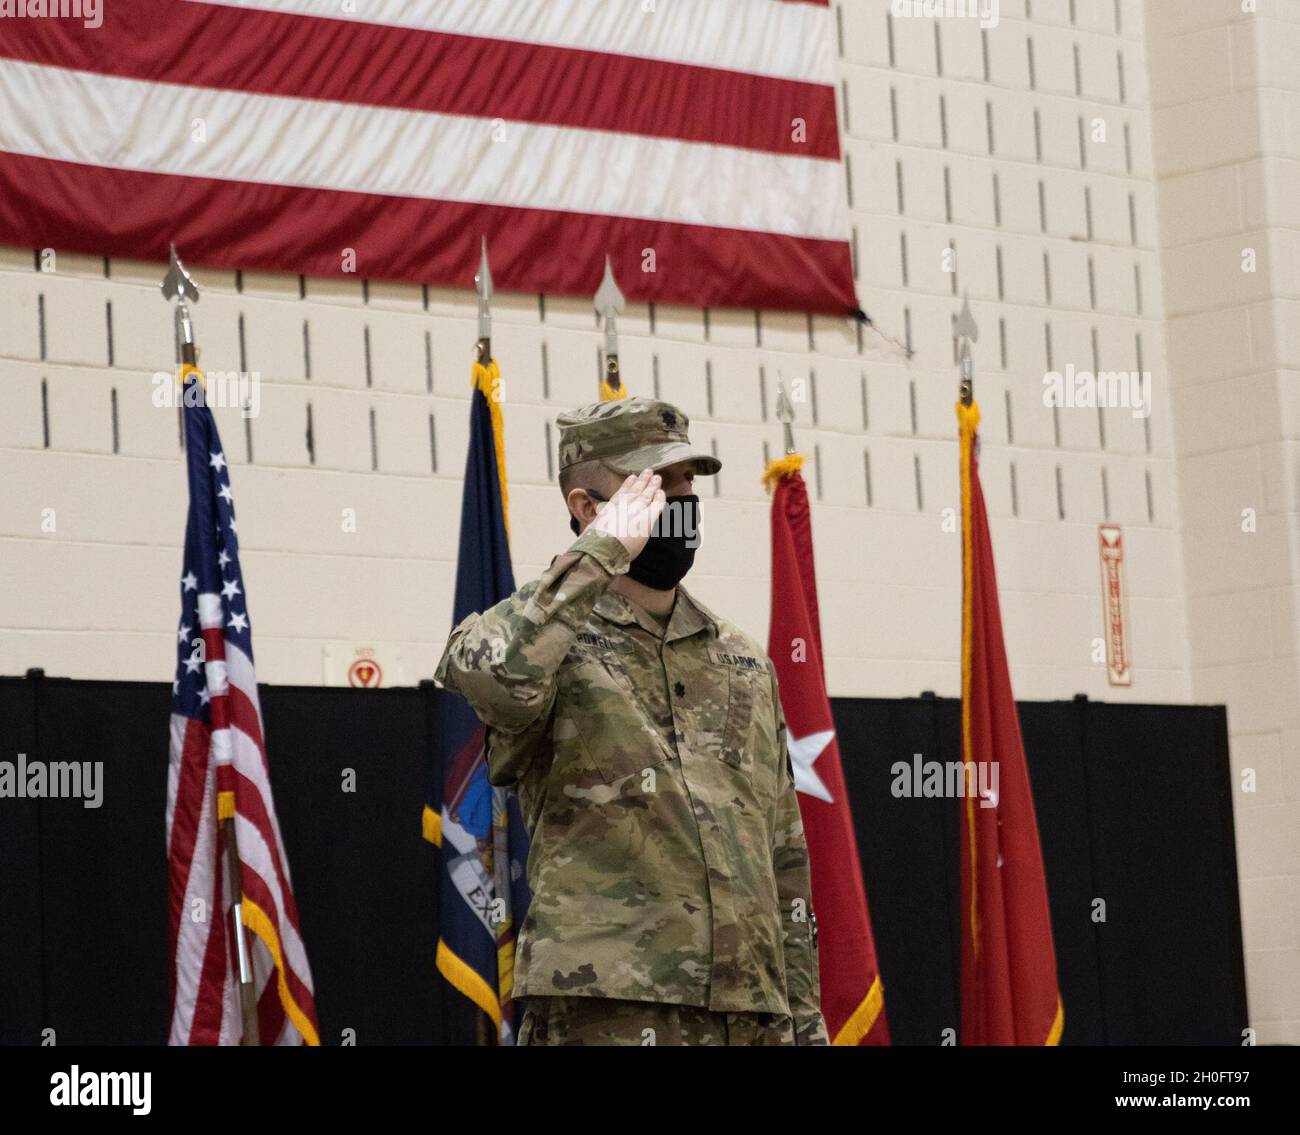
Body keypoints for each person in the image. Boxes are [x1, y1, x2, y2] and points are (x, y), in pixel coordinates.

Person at [435, 397, 829, 1046]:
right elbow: (478, 669)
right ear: (589, 507)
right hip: (605, 1009)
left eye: (687, 483)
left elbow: (784, 856)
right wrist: (602, 551)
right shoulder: (552, 643)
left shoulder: (741, 660)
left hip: (750, 1011)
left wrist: (804, 1024)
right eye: (655, 483)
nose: (680, 500)